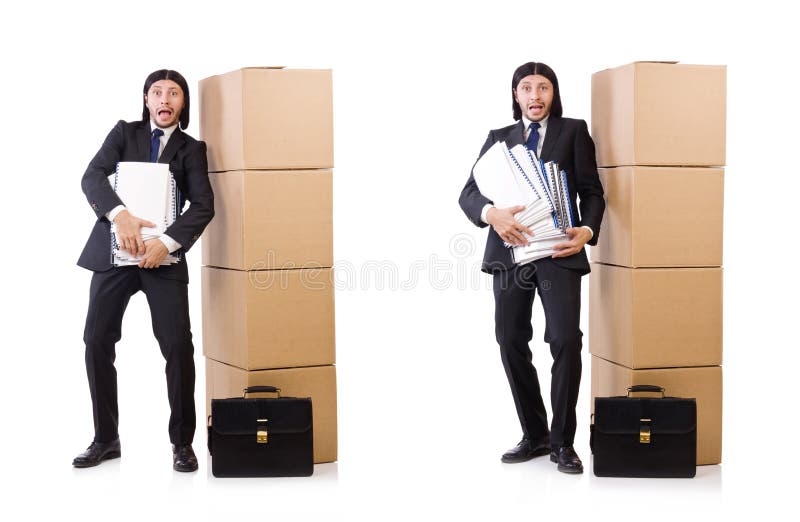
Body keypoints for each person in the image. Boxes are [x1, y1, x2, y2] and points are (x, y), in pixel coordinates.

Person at [458, 62, 605, 473]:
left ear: (553, 93)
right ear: (516, 94)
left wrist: (587, 230)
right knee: (509, 340)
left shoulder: (573, 132)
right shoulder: (498, 138)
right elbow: (468, 193)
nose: (535, 95)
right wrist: (492, 214)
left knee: (565, 340)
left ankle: (563, 442)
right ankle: (535, 434)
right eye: (526, 88)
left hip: (559, 251)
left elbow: (593, 192)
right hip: (511, 254)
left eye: (543, 87)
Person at [73, 69, 214, 472]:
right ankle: (106, 439)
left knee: (178, 347)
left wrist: (166, 243)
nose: (165, 99)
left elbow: (203, 205)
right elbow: (92, 176)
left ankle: (182, 443)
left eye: (174, 93)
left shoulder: (192, 149)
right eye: (157, 92)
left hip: (161, 259)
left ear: (183, 103)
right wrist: (120, 216)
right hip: (115, 255)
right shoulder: (124, 133)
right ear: (146, 99)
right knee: (96, 340)